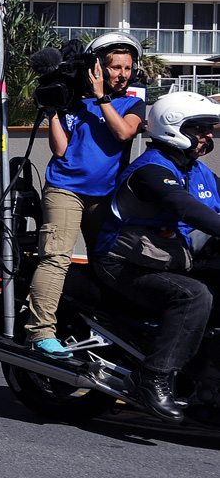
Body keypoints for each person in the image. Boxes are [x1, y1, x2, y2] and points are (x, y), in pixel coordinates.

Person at [91, 91, 220, 421]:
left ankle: (208, 385)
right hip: (123, 263)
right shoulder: (151, 170)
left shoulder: (198, 171)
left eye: (210, 129)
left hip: (166, 259)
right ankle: (152, 378)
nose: (209, 136)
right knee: (193, 296)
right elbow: (185, 208)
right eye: (201, 128)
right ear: (173, 128)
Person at [25, 31, 146, 359]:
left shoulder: (132, 103)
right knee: (56, 256)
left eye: (127, 68)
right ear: (99, 67)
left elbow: (124, 133)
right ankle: (40, 332)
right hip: (64, 189)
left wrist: (102, 98)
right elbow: (61, 150)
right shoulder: (75, 100)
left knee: (108, 262)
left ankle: (105, 326)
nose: (122, 74)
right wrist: (53, 111)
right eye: (115, 67)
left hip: (106, 196)